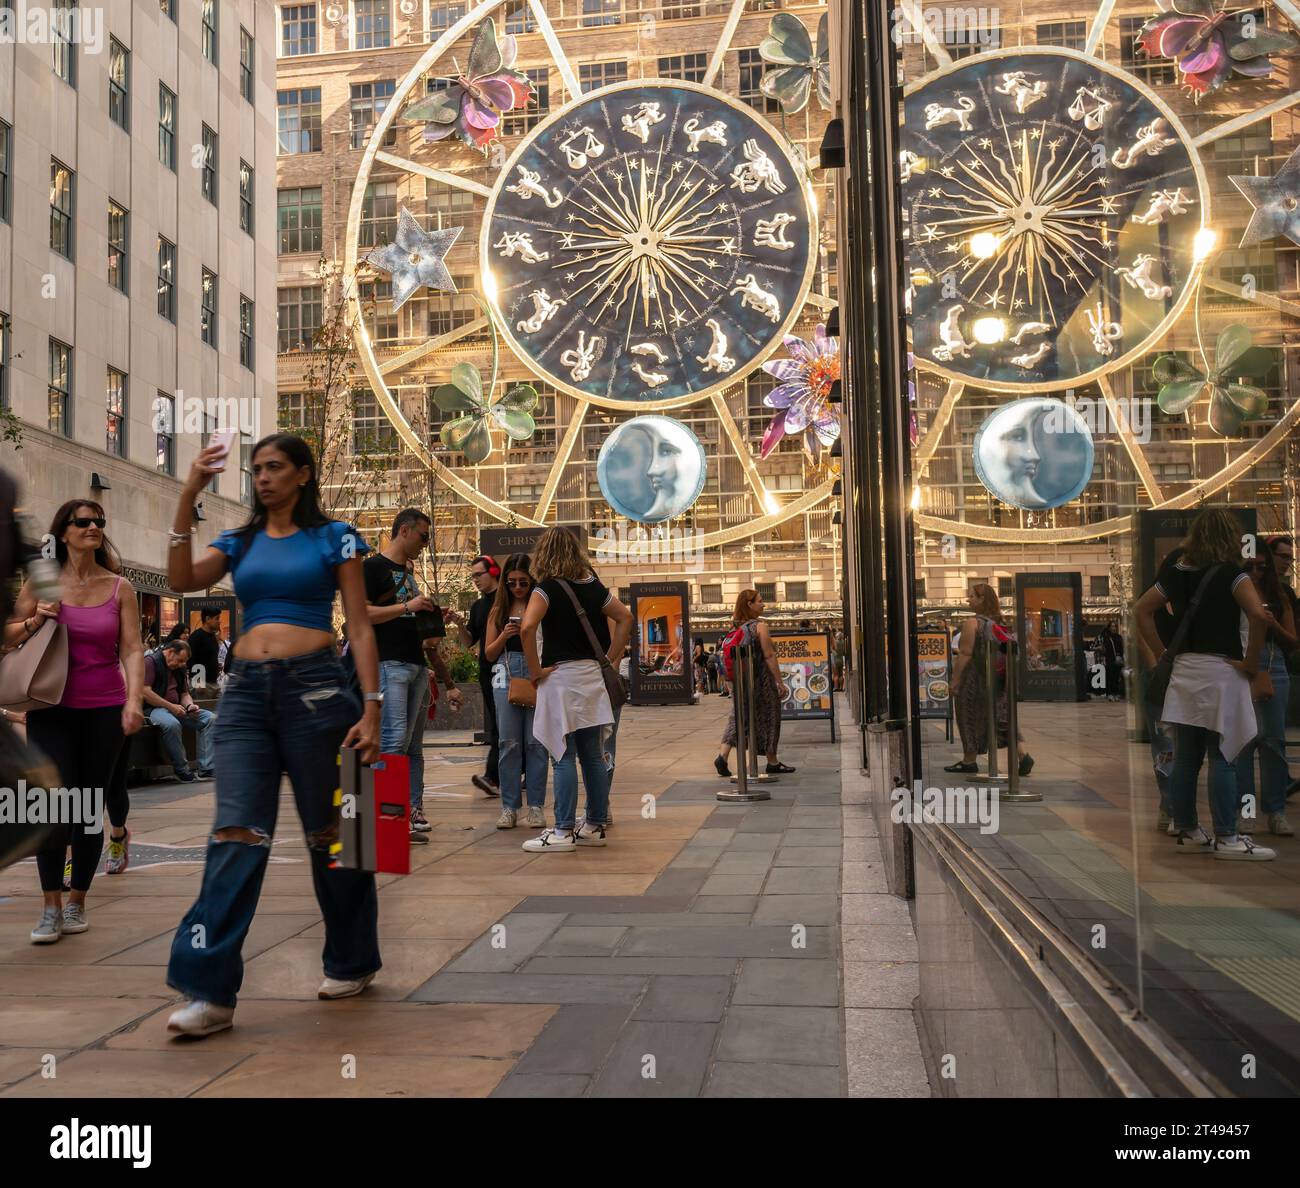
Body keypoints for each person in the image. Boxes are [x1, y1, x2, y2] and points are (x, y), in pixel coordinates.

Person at [163, 433, 382, 1036]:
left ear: (303, 474)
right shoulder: (240, 539)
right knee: (236, 833)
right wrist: (189, 493)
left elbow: (359, 627)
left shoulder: (333, 536)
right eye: (256, 469)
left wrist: (372, 706)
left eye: (275, 467)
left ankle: (353, 958)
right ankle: (208, 989)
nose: (262, 478)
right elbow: (181, 577)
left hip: (318, 693)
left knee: (336, 836)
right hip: (244, 699)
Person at [6, 500, 145, 942]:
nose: (93, 527)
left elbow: (131, 649)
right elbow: (5, 633)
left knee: (87, 806)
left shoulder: (120, 586)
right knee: (53, 807)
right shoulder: (43, 579)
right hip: (51, 708)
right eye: (83, 521)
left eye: (99, 522)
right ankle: (49, 907)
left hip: (104, 709)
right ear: (63, 531)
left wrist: (134, 701)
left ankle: (77, 902)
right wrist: (33, 621)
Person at [1135, 508, 1275, 860]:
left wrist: (1162, 652)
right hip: (1221, 671)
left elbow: (1141, 610)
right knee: (1224, 755)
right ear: (1229, 538)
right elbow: (1258, 615)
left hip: (1185, 670)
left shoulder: (1177, 573)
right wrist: (1251, 662)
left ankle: (1188, 829)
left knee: (1187, 757)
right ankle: (1227, 836)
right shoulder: (1233, 575)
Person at [520, 527, 632, 851]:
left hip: (561, 679)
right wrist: (611, 658)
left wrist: (535, 670)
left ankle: (562, 830)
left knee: (562, 755)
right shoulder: (593, 587)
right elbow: (625, 617)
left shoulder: (546, 589)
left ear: (544, 553)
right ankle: (594, 825)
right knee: (594, 755)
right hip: (592, 678)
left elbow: (527, 628)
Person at [364, 507, 463, 842]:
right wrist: (408, 606)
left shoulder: (408, 573)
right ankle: (388, 819)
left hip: (416, 664)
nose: (426, 543)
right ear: (404, 531)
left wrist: (435, 618)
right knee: (393, 742)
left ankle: (411, 811)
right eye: (423, 536)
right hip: (389, 664)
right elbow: (361, 614)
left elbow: (410, 622)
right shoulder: (374, 567)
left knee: (414, 747)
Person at [1233, 540, 1296, 836]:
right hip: (1241, 667)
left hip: (1274, 667)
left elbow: (1293, 641)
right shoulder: (1232, 593)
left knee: (1273, 743)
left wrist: (1271, 625)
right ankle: (1246, 811)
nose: (1256, 572)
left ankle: (1276, 811)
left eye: (1261, 566)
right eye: (1249, 567)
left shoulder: (1280, 594)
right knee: (1243, 744)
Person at [484, 553, 548, 830]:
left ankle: (535, 806)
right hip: (505, 673)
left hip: (536, 672)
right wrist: (505, 634)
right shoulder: (497, 610)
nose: (518, 588)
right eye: (512, 583)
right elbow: (488, 653)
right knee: (508, 743)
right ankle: (509, 807)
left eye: (524, 582)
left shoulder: (542, 605)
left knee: (536, 743)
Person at [947, 583, 1034, 777]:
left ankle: (969, 760)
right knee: (1001, 717)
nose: (968, 599)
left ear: (982, 600)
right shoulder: (997, 621)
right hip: (996, 678)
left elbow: (965, 653)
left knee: (967, 716)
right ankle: (1023, 755)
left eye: (972, 596)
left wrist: (955, 679)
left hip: (973, 680)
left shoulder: (973, 623)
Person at [715, 589, 795, 777]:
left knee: (738, 717)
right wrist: (779, 682)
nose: (763, 604)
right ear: (749, 604)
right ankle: (772, 761)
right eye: (759, 601)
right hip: (761, 681)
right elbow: (769, 655)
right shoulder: (760, 626)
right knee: (770, 716)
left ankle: (722, 756)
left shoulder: (734, 627)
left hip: (740, 681)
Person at [457, 555, 502, 797]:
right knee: (498, 724)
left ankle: (493, 776)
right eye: (472, 575)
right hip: (487, 671)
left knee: (504, 726)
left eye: (478, 574)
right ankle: (498, 776)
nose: (475, 580)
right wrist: (459, 625)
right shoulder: (478, 606)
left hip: (508, 669)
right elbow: (469, 641)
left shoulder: (506, 600)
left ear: (493, 571)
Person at [142, 639, 216, 782]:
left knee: (210, 719)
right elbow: (145, 692)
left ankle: (206, 768)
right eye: (180, 660)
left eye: (184, 662)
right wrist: (171, 707)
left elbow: (184, 694)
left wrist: (190, 706)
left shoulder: (179, 668)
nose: (182, 664)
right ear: (169, 652)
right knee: (171, 724)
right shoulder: (150, 662)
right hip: (154, 709)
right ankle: (182, 769)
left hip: (178, 707)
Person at [188, 608, 223, 689]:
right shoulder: (196, 637)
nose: (219, 621)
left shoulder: (213, 636)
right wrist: (198, 682)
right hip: (201, 684)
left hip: (213, 682)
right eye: (217, 618)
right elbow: (191, 660)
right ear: (207, 619)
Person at [1099, 623, 1125, 702]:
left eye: (1114, 626)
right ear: (1109, 627)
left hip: (1118, 660)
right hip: (1110, 660)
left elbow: (1121, 648)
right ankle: (1110, 693)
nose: (1114, 628)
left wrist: (1120, 656)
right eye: (1112, 626)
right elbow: (1104, 649)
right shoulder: (1106, 637)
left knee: (1116, 677)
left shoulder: (1118, 637)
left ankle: (1116, 693)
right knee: (1110, 677)